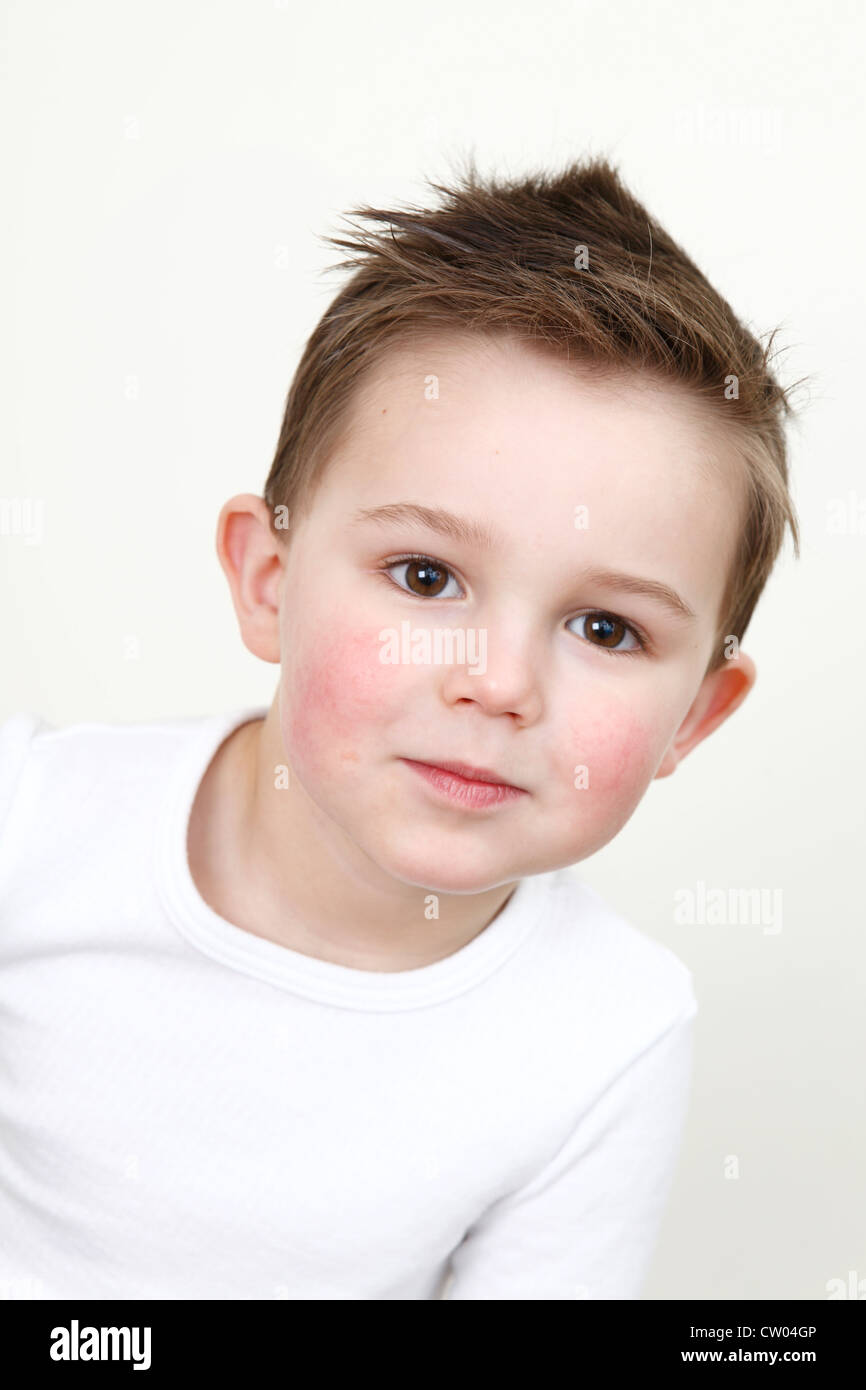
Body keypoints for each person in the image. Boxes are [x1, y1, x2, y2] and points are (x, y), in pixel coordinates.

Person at [0, 156, 801, 1300]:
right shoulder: (29, 823)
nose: (497, 682)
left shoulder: (607, 1030)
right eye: (425, 575)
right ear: (270, 580)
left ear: (694, 718)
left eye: (605, 628)